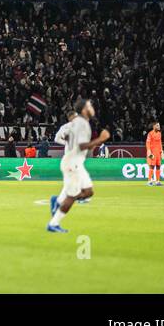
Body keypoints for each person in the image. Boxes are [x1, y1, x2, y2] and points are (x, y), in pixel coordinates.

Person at [47, 98, 111, 234]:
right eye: (89, 106)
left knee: (88, 192)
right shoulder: (80, 124)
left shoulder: (80, 124)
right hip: (72, 162)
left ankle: (58, 201)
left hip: (77, 162)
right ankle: (54, 223)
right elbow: (81, 145)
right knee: (73, 194)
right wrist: (100, 139)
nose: (91, 107)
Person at [145, 121, 164, 186]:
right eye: (157, 125)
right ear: (154, 126)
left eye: (159, 125)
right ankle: (149, 181)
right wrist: (149, 152)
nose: (159, 127)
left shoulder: (159, 133)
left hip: (158, 152)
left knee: (158, 166)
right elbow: (147, 143)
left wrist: (161, 152)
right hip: (152, 152)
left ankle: (157, 181)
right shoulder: (150, 134)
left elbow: (160, 143)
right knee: (152, 166)